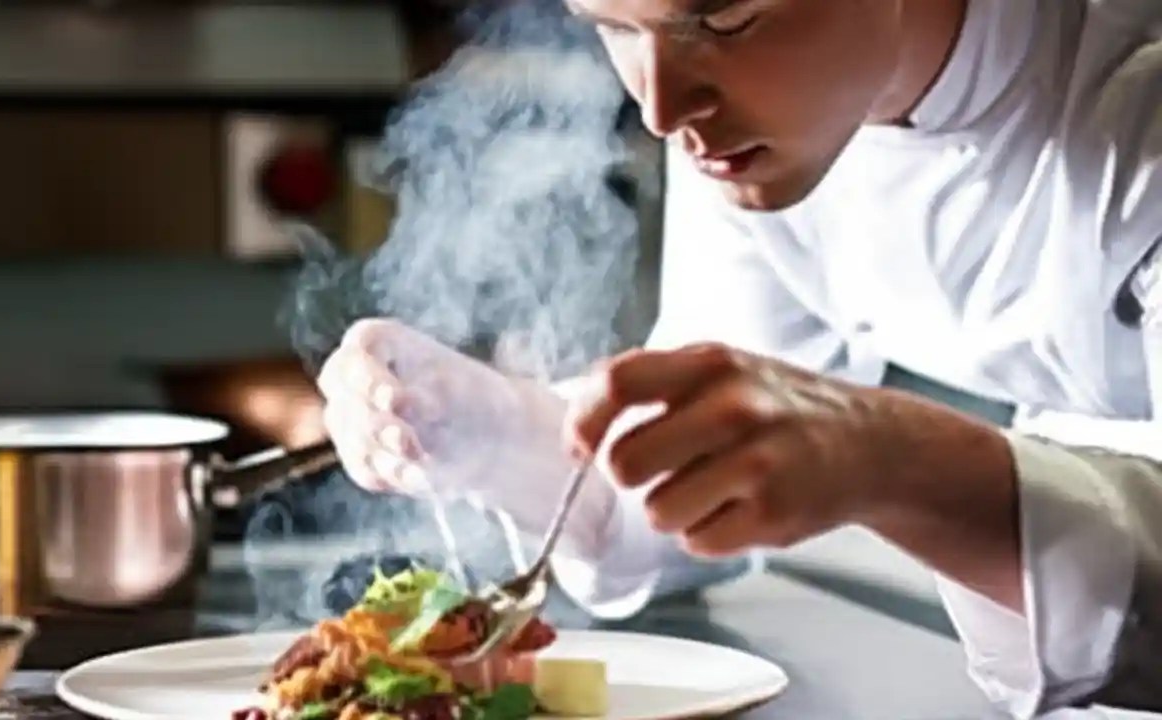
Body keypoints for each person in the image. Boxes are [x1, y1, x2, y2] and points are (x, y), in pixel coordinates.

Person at [317, 0, 1162, 717]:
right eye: (612, 24)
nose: (660, 105)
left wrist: (886, 459)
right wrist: (502, 430)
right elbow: (698, 482)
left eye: (725, 18)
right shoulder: (761, 122)